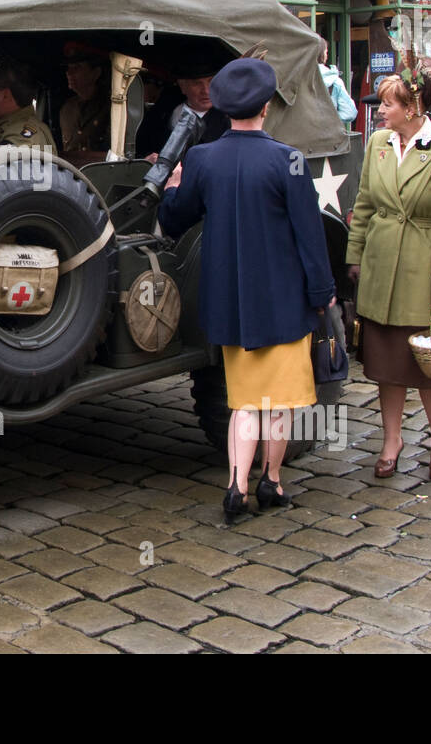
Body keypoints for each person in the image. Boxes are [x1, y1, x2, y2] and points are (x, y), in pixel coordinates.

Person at [157, 58, 336, 523]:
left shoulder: (201, 158)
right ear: (266, 105)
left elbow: (175, 220)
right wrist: (323, 293)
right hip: (283, 300)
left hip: (231, 303)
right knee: (277, 401)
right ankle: (271, 481)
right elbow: (309, 236)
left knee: (243, 402)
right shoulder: (288, 160)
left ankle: (236, 488)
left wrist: (174, 188)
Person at [345, 65, 431, 483]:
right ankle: (392, 440)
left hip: (425, 271)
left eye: (387, 104)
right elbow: (364, 203)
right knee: (387, 364)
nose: (380, 111)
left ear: (412, 107)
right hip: (383, 271)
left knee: (429, 366)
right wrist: (356, 255)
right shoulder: (378, 144)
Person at [135, 60, 230, 159]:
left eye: (211, 81)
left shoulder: (229, 120)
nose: (206, 90)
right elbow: (141, 146)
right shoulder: (163, 110)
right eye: (197, 83)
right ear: (182, 86)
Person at [59, 42, 111, 164]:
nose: (69, 73)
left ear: (96, 73)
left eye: (77, 67)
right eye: (68, 68)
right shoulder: (66, 108)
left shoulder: (111, 107)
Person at [318, 41, 357, 125]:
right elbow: (350, 113)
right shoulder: (334, 80)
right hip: (325, 132)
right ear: (322, 54)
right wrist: (328, 119)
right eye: (326, 52)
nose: (327, 55)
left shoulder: (295, 76)